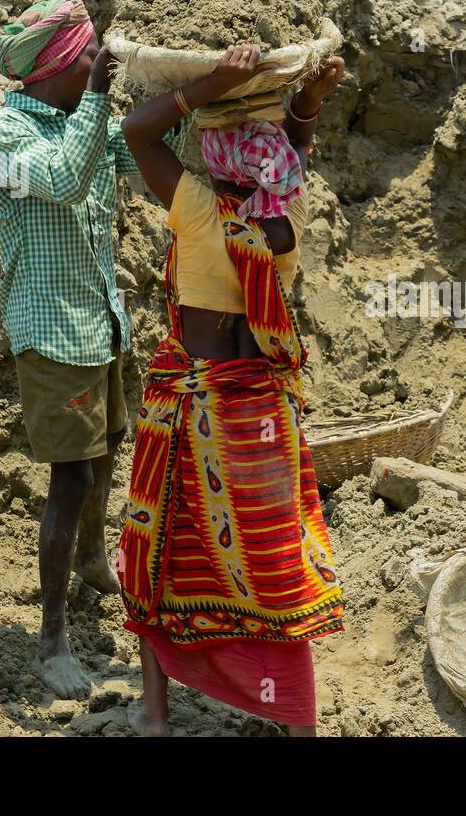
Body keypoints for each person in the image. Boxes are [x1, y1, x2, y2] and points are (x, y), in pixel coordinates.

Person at [116, 45, 346, 737]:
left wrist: (213, 82)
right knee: (275, 564)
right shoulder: (286, 219)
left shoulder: (194, 206)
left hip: (195, 411)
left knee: (154, 556)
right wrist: (309, 100)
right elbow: (292, 152)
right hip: (262, 417)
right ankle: (298, 723)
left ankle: (155, 715)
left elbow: (135, 132)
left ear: (214, 157)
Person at [0, 0, 192, 699]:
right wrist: (101, 98)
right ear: (56, 68)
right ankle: (50, 642)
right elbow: (66, 179)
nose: (100, 64)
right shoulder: (6, 136)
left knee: (106, 453)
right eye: (88, 57)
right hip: (50, 333)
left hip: (99, 324)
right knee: (69, 479)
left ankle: (95, 562)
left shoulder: (80, 123)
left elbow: (148, 151)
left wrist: (190, 100)